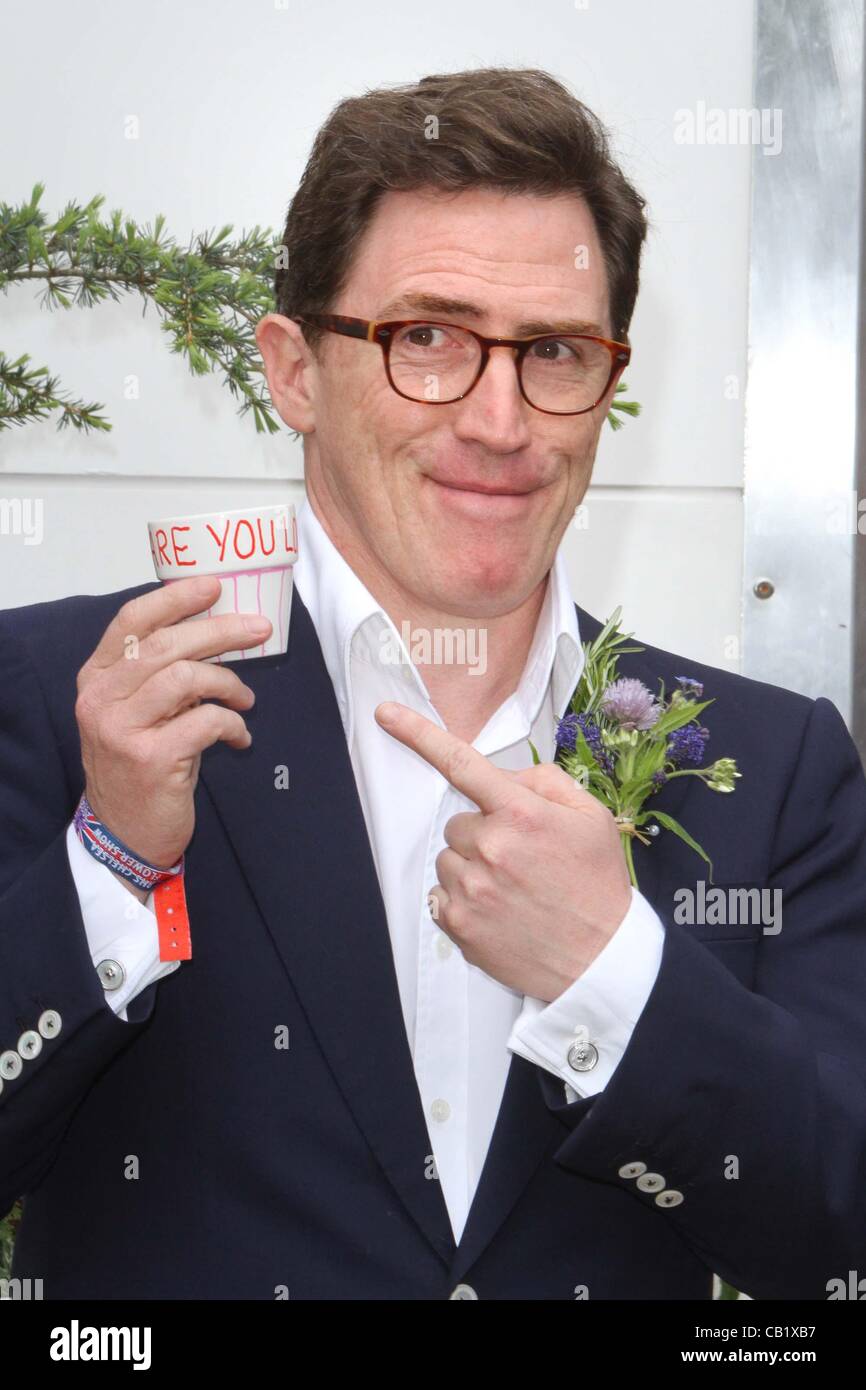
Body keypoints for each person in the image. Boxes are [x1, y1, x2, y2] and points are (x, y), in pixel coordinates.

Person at [2, 67, 866, 1301]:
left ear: (607, 386)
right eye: (427, 341)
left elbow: (837, 1244)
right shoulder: (65, 699)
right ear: (293, 370)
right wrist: (110, 872)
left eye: (553, 352)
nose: (499, 421)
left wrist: (613, 973)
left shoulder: (771, 769)